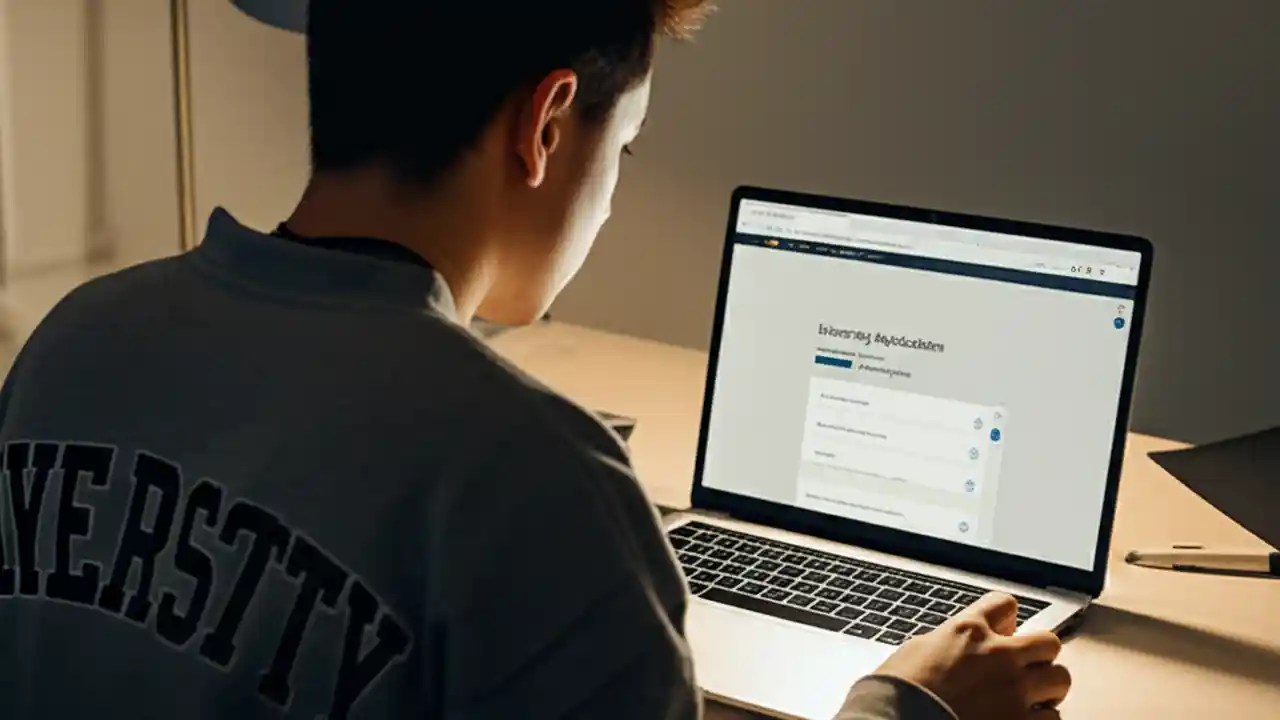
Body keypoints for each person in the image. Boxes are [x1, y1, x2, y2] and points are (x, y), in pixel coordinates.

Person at [0, 2, 1070, 718]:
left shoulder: (75, 340)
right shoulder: (537, 473)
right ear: (548, 122)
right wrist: (908, 704)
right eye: (628, 145)